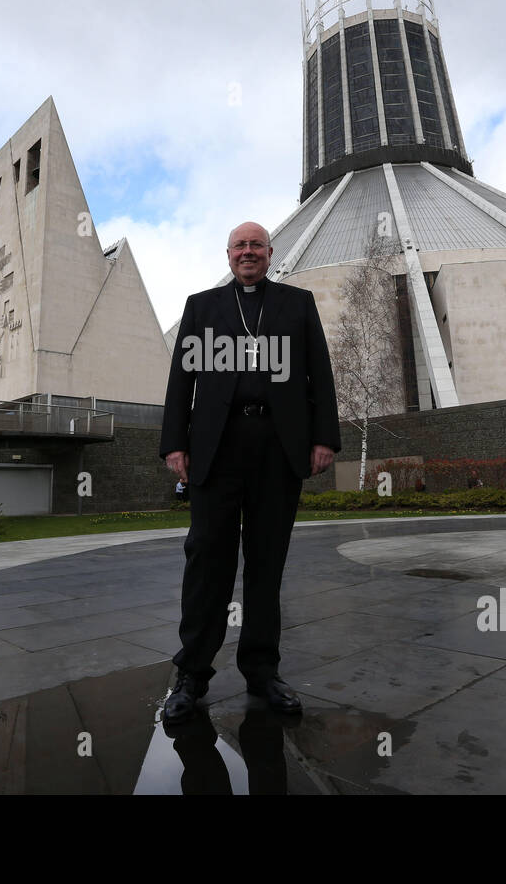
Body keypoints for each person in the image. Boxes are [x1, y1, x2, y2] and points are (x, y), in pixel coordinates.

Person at [159, 221, 341, 721]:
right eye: (239, 245)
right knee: (207, 563)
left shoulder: (297, 302)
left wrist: (325, 436)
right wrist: (174, 442)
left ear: (270, 252)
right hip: (216, 447)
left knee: (267, 563)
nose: (247, 252)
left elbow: (319, 372)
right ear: (228, 254)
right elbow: (181, 379)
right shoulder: (203, 306)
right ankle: (192, 675)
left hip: (277, 447)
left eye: (256, 245)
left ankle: (262, 672)